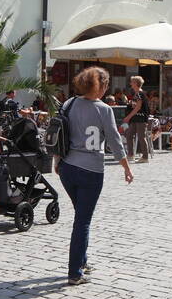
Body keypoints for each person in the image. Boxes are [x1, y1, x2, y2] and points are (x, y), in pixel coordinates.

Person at [55, 66, 133, 286]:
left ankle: (82, 260)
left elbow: (59, 133)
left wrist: (56, 161)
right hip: (91, 170)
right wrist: (126, 166)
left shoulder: (68, 104)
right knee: (83, 221)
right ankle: (74, 272)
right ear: (103, 86)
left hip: (68, 167)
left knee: (81, 215)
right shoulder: (104, 109)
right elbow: (115, 141)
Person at [122, 75, 151, 163]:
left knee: (142, 137)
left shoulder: (139, 94)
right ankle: (130, 155)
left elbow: (138, 107)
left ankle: (145, 157)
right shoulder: (136, 94)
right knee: (129, 135)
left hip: (141, 118)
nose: (130, 83)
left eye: (132, 82)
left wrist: (128, 117)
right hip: (135, 119)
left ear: (135, 83)